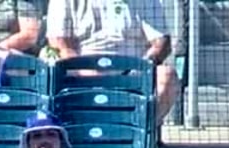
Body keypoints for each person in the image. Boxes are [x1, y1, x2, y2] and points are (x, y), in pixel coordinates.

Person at [45, 0, 177, 125]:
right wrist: (87, 71)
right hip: (81, 72)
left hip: (133, 73)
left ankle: (139, 132)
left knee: (166, 75)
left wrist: (139, 68)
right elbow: (59, 43)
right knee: (49, 61)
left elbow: (162, 44)